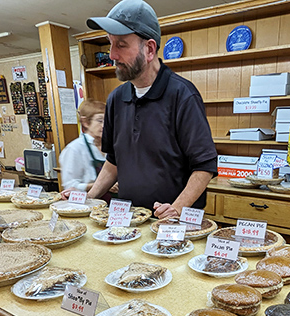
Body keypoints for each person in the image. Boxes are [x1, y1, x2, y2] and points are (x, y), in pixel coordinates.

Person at [86, 0, 217, 219]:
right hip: (127, 218)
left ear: (149, 49)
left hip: (172, 225)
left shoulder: (183, 95)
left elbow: (205, 167)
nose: (112, 55)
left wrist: (175, 208)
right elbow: (113, 162)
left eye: (121, 45)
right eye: (110, 44)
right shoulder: (116, 99)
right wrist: (88, 201)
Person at [59, 99, 106, 198]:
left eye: (107, 120)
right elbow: (70, 186)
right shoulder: (75, 149)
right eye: (100, 120)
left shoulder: (111, 145)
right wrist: (102, 185)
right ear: (85, 122)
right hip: (88, 203)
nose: (104, 125)